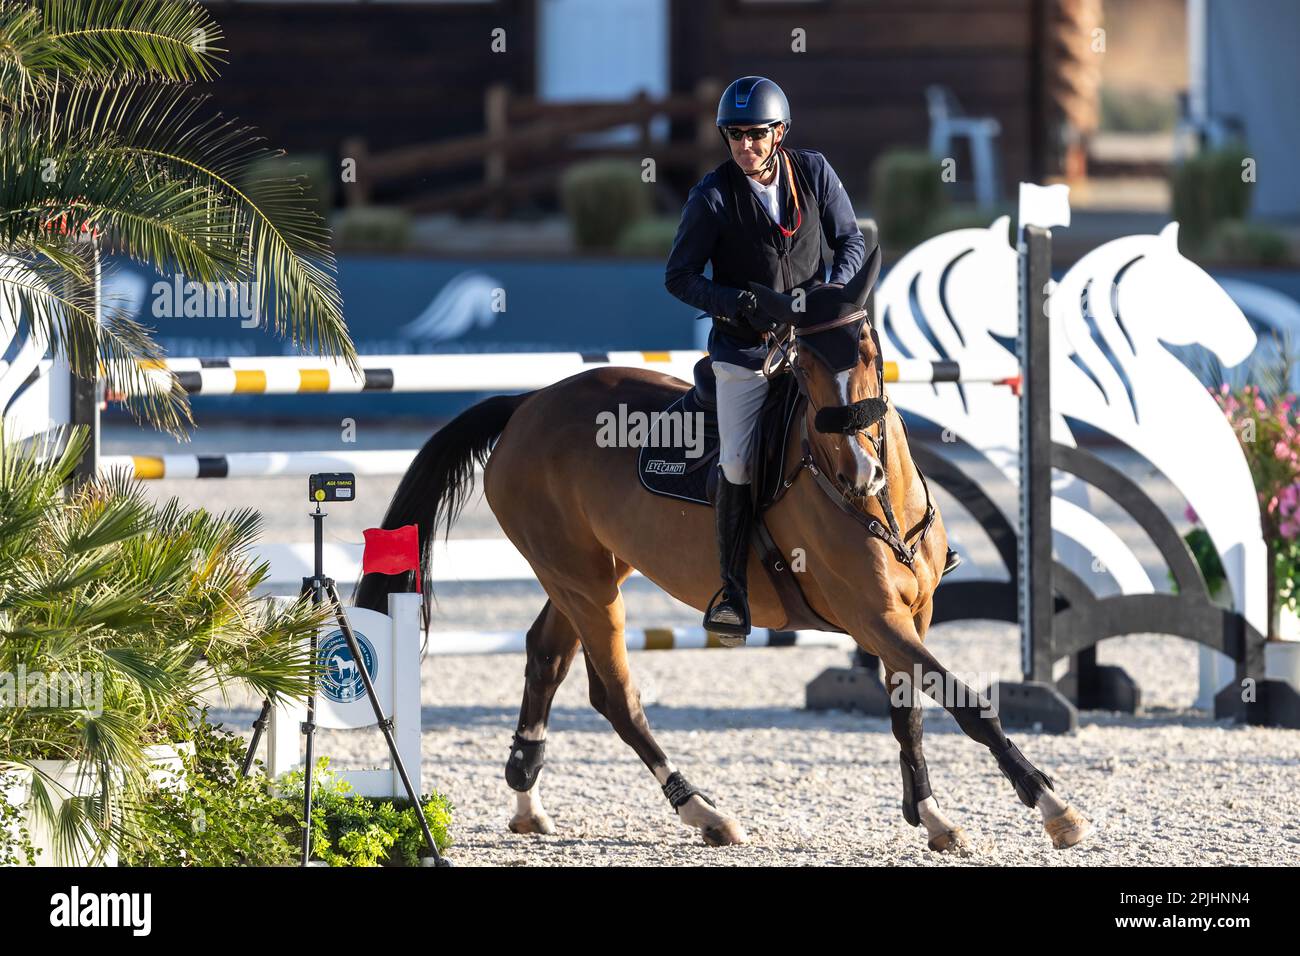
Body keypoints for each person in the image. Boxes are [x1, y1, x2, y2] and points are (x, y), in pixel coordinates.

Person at [664, 75, 866, 644]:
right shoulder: (711, 195)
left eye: (754, 135)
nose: (744, 146)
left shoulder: (815, 171)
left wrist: (833, 292)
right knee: (738, 462)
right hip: (746, 350)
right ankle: (732, 590)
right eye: (733, 135)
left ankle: (916, 537)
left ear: (779, 133)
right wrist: (738, 302)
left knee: (864, 409)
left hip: (811, 339)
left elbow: (850, 239)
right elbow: (678, 277)